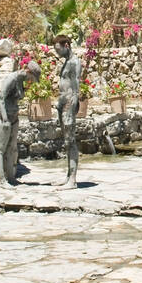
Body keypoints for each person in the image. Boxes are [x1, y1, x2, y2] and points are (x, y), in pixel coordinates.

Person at [0, 63, 41, 189]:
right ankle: (2, 180)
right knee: (0, 149)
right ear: (28, 71)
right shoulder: (12, 79)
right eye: (33, 78)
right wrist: (5, 119)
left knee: (12, 148)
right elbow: (1, 99)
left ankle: (11, 178)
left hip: (14, 118)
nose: (32, 81)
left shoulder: (20, 81)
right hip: (3, 119)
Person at [53, 35, 82, 190]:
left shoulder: (75, 62)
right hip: (63, 102)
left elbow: (76, 82)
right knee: (66, 141)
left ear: (67, 45)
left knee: (70, 140)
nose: (57, 53)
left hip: (69, 102)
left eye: (58, 49)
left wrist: (74, 103)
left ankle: (73, 180)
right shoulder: (66, 62)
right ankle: (68, 176)